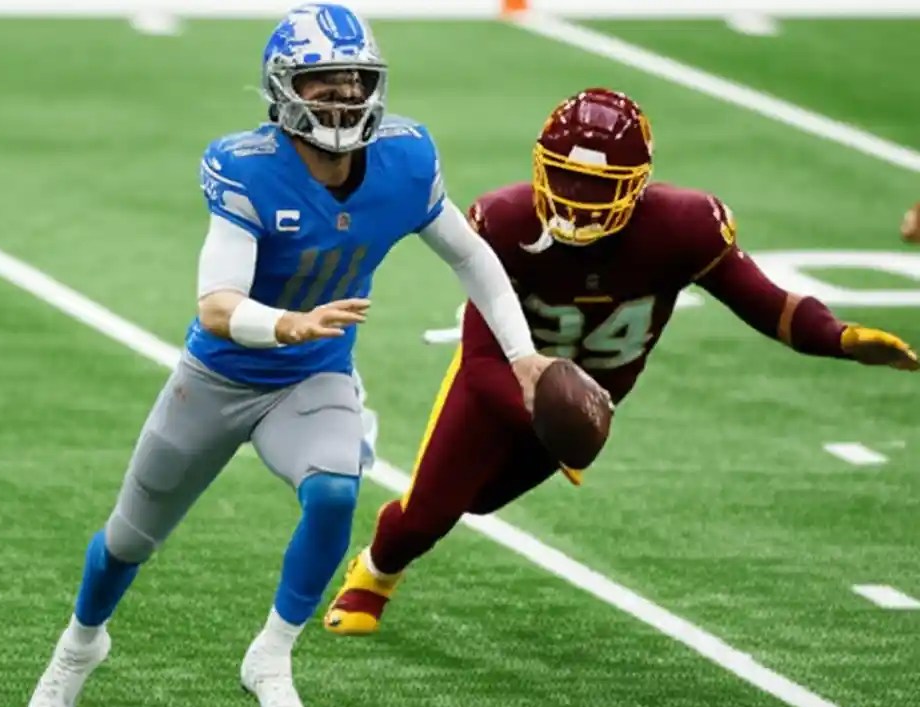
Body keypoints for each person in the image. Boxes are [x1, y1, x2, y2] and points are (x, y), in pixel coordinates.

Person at [24, 5, 553, 707]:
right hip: (219, 376)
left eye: (353, 82)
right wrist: (288, 323)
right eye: (322, 83)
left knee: (336, 490)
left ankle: (271, 655)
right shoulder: (246, 167)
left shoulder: (405, 160)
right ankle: (78, 648)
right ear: (283, 90)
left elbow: (472, 258)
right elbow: (217, 306)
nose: (341, 98)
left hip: (315, 375)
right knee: (126, 540)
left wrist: (524, 358)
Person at [324, 87, 918, 638]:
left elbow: (769, 305)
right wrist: (553, 416)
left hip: (590, 396)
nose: (577, 201)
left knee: (479, 500)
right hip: (508, 379)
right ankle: (375, 571)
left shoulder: (683, 228)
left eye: (597, 186)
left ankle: (430, 519)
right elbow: (480, 361)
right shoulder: (506, 221)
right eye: (565, 179)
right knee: (432, 511)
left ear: (637, 186)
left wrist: (838, 338)